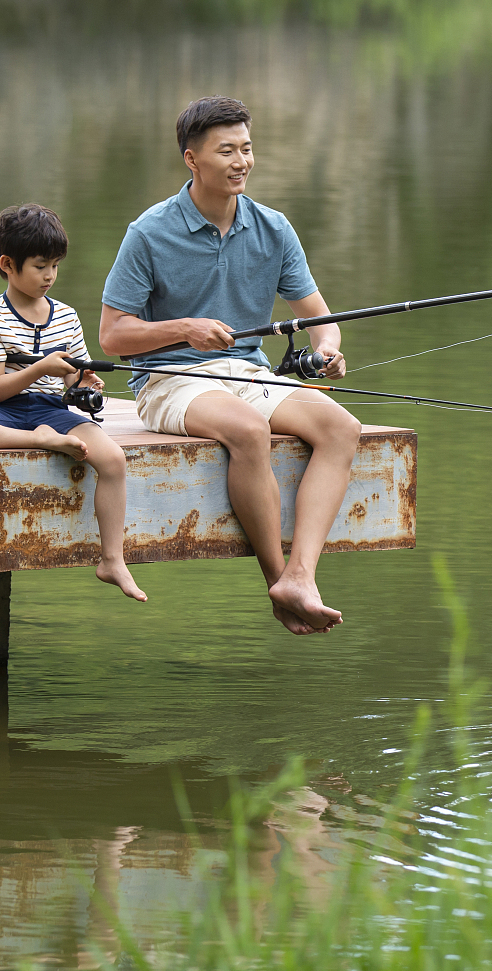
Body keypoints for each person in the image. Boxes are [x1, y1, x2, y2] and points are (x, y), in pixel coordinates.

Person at [99, 96, 361, 636]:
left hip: (246, 372)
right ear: (192, 160)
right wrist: (183, 328)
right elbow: (112, 334)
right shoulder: (149, 232)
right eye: (226, 151)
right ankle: (276, 580)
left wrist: (327, 349)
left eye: (246, 148)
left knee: (341, 426)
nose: (241, 160)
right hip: (169, 380)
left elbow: (320, 319)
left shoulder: (272, 228)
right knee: (249, 429)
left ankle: (302, 576)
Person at [0, 205, 147, 602]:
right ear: (8, 265)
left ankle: (113, 559)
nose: (50, 276)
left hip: (52, 411)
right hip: (5, 411)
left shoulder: (65, 316)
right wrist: (41, 368)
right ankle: (37, 441)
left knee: (113, 459)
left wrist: (84, 381)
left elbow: (70, 376)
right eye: (40, 266)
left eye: (55, 266)